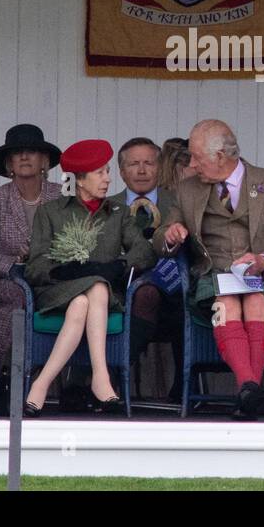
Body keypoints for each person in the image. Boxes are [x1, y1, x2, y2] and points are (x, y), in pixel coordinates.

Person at [152, 119, 264, 419]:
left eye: (196, 157)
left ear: (220, 156)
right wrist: (169, 236)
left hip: (263, 276)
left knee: (256, 300)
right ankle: (251, 389)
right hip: (214, 276)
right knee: (227, 302)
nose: (191, 165)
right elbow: (160, 236)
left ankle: (248, 391)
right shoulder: (187, 189)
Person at [22, 139, 154, 415]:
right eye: (100, 173)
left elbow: (144, 251)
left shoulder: (117, 214)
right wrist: (65, 270)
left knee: (88, 297)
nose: (108, 179)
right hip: (57, 293)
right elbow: (34, 267)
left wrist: (119, 266)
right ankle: (101, 378)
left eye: (108, 172)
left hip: (99, 299)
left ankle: (41, 384)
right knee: (95, 287)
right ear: (79, 181)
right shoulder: (51, 212)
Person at [0, 123, 63, 415]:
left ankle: (73, 381)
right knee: (19, 298)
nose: (25, 157)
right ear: (8, 164)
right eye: (17, 153)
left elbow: (77, 242)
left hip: (53, 280)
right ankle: (12, 377)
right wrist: (15, 264)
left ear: (45, 161)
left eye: (32, 152)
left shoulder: (62, 196)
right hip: (9, 283)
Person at [116, 137, 185, 401]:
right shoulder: (106, 204)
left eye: (149, 163)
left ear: (159, 168)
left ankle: (182, 385)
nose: (142, 170)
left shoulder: (180, 201)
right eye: (134, 164)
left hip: (173, 292)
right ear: (122, 172)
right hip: (118, 289)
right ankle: (106, 379)